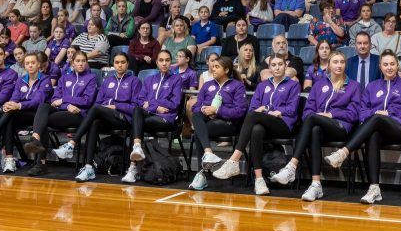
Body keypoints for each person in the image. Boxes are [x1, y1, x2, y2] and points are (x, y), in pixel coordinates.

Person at [324, 51, 401, 204]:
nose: (389, 68)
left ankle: (344, 152)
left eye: (392, 64)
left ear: (397, 65)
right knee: (373, 134)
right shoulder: (372, 86)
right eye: (385, 64)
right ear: (380, 67)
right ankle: (374, 188)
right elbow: (362, 113)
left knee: (377, 119)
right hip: (378, 128)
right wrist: (377, 114)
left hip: (400, 130)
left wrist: (389, 113)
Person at [269, 51, 360, 201]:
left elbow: (354, 114)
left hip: (340, 127)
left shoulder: (353, 86)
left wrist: (331, 114)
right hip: (319, 127)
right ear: (328, 65)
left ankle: (292, 165)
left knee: (313, 119)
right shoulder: (319, 85)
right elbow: (307, 111)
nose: (339, 65)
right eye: (335, 62)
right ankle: (316, 184)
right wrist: (318, 117)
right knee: (315, 129)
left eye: (342, 62)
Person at [210, 55, 303, 195]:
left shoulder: (293, 84)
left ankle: (233, 160)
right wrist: (269, 112)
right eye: (274, 65)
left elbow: (291, 109)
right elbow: (253, 107)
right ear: (269, 67)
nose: (277, 67)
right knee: (256, 129)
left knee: (254, 117)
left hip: (284, 124)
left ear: (286, 66)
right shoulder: (262, 85)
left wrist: (267, 110)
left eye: (280, 64)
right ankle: (259, 180)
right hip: (265, 124)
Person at [0, 52, 53, 173]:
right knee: (9, 112)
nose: (30, 65)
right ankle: (8, 157)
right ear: (24, 66)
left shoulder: (45, 79)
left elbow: (38, 101)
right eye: (27, 63)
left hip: (38, 114)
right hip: (23, 112)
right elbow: (15, 97)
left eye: (33, 63)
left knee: (19, 113)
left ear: (38, 64)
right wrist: (10, 104)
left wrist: (19, 105)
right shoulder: (21, 80)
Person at [69, 52, 142, 182]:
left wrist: (115, 106)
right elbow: (98, 102)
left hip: (124, 118)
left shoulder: (134, 81)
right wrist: (106, 108)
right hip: (107, 117)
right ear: (113, 65)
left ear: (127, 64)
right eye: (117, 63)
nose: (120, 65)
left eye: (123, 62)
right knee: (95, 122)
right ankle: (89, 167)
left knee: (96, 110)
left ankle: (72, 143)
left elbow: (135, 107)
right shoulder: (107, 81)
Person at [117, 50, 185, 183]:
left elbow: (174, 103)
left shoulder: (176, 79)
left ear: (171, 62)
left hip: (167, 119)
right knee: (137, 112)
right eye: (161, 60)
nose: (164, 63)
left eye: (167, 60)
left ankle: (132, 168)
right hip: (151, 115)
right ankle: (136, 150)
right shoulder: (149, 80)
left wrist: (152, 104)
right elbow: (141, 101)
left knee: (136, 124)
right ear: (157, 62)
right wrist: (156, 107)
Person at [187, 56, 248, 190]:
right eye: (212, 66)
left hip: (228, 124)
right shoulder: (208, 85)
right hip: (208, 121)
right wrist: (204, 109)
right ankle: (208, 153)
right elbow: (195, 107)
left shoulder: (237, 86)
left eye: (216, 67)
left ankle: (201, 175)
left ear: (226, 70)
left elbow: (240, 111)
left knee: (199, 131)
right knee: (197, 117)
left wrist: (217, 111)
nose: (212, 69)